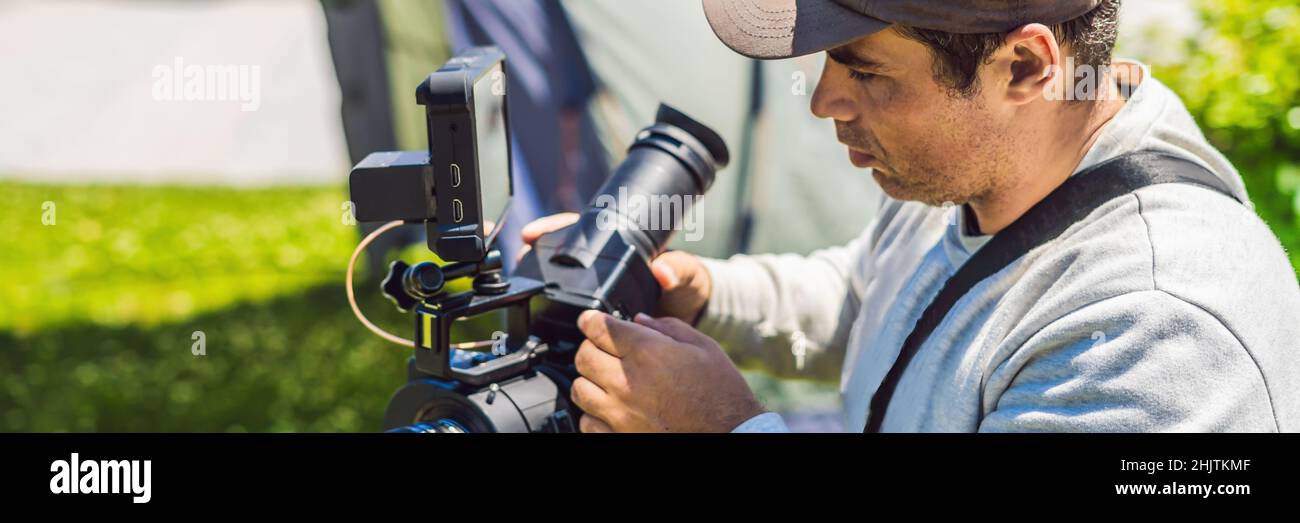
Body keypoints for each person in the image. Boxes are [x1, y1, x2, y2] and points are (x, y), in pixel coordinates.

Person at [522, 0, 1300, 432]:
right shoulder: (990, 170)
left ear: (1024, 67)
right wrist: (697, 294)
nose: (825, 100)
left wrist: (722, 427)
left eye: (864, 70)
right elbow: (875, 297)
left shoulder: (1155, 325)